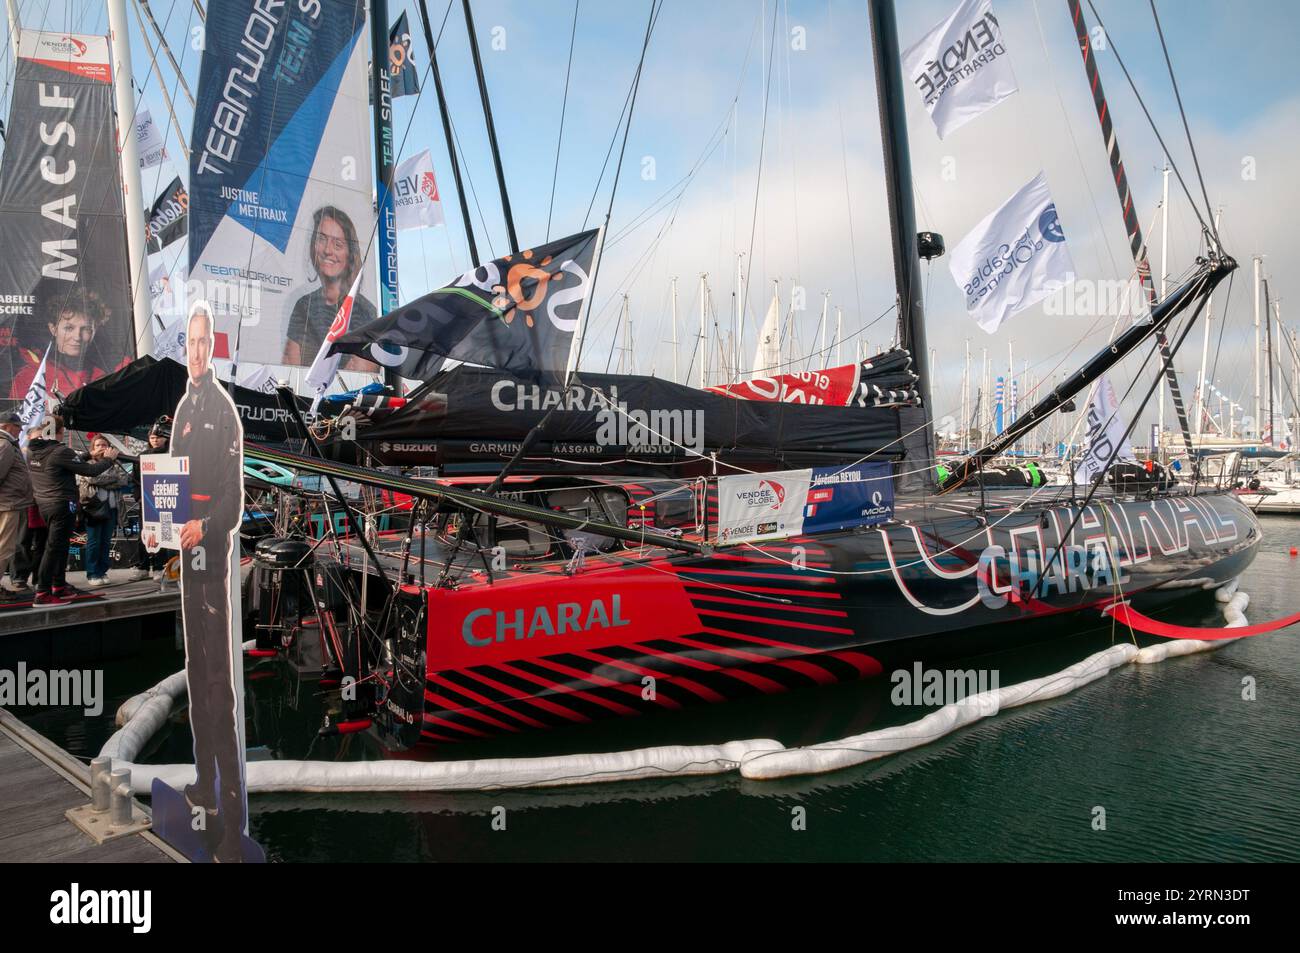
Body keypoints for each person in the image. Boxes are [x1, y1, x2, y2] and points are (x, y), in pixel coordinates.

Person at [172, 302, 246, 862]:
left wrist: (204, 525)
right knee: (196, 674)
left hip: (212, 553)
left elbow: (232, 498)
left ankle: (232, 812)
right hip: (184, 556)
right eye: (189, 343)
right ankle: (203, 779)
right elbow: (170, 482)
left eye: (203, 342)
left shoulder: (223, 410)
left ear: (213, 346)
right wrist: (161, 524)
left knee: (219, 682)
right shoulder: (181, 408)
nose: (196, 352)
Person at [26, 416, 120, 606]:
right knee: (54, 549)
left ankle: (58, 586)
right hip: (61, 505)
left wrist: (89, 454)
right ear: (59, 433)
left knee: (57, 548)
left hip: (45, 504)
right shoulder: (60, 450)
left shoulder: (33, 451)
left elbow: (67, 462)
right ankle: (43, 592)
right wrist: (109, 460)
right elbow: (90, 471)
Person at [282, 207, 377, 368]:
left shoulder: (365, 311)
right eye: (321, 239)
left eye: (338, 244)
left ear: (350, 254)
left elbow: (363, 374)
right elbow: (290, 366)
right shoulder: (303, 305)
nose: (327, 250)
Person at [8, 278, 120, 400]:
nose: (77, 337)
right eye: (69, 328)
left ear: (95, 331)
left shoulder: (109, 377)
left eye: (86, 329)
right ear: (53, 329)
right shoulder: (30, 377)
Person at [77, 434, 130, 588]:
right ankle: (92, 573)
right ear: (93, 448)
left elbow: (123, 479)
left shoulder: (116, 463)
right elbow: (92, 479)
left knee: (106, 542)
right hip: (94, 508)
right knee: (94, 542)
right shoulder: (87, 463)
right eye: (98, 445)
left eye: (104, 445)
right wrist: (111, 479)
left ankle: (103, 570)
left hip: (112, 508)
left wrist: (107, 479)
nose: (102, 447)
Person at [129, 416, 172, 582]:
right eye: (152, 438)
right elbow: (135, 480)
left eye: (158, 437)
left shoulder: (171, 454)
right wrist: (138, 497)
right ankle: (143, 566)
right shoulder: (141, 456)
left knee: (164, 534)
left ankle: (160, 566)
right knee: (144, 534)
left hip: (166, 500)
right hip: (146, 502)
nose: (155, 440)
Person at [0, 412, 34, 603]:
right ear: (7, 426)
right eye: (17, 426)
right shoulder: (4, 444)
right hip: (7, 504)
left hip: (7, 502)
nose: (20, 430)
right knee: (4, 548)